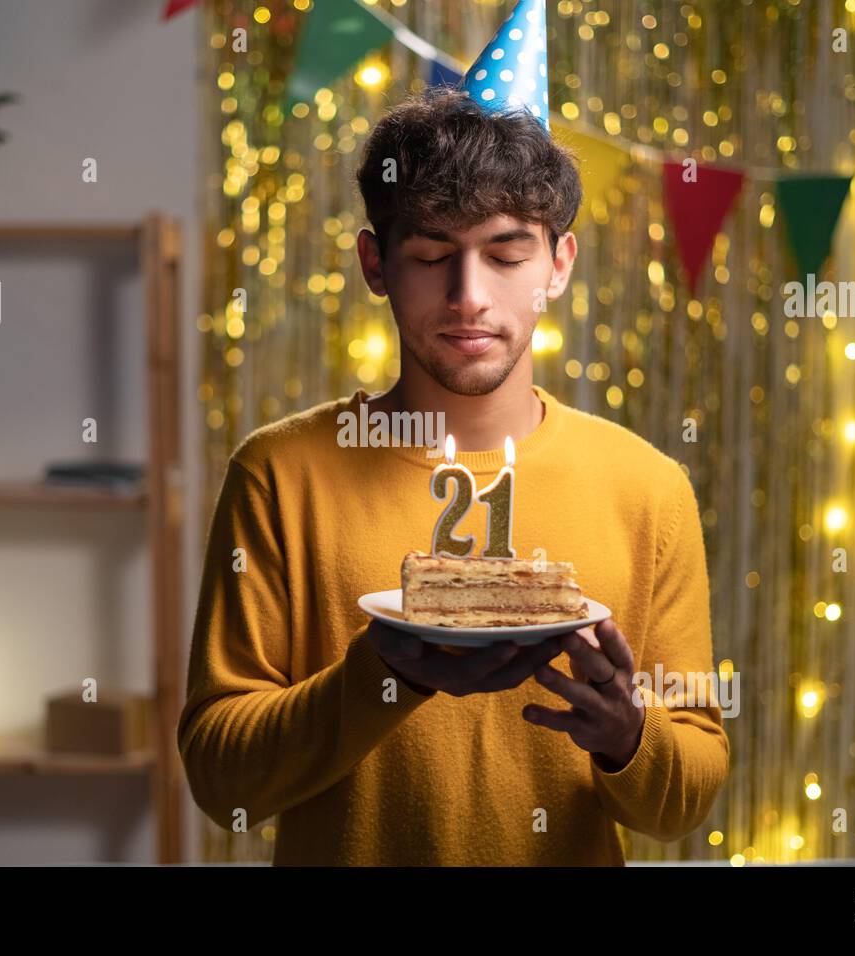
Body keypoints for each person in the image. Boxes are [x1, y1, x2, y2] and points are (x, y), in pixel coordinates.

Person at [176, 81, 729, 865]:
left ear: (558, 265)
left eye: (507, 255)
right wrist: (379, 677)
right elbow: (221, 784)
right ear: (376, 264)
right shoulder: (277, 474)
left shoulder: (647, 488)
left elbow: (688, 798)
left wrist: (629, 736)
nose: (469, 297)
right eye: (432, 255)